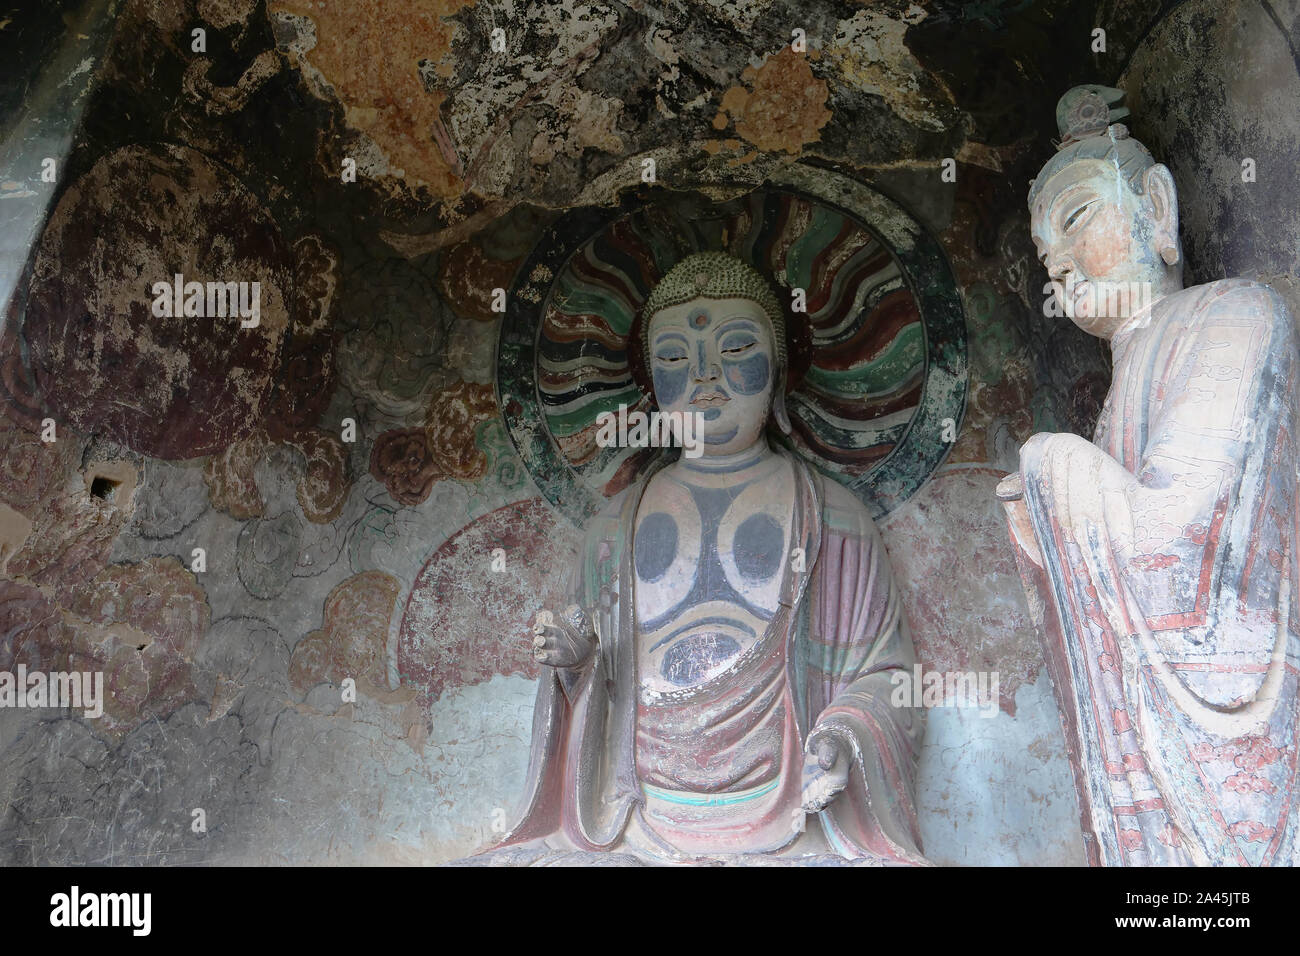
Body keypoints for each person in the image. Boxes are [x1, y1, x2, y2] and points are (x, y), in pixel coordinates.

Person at [494, 252, 926, 864]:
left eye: (736, 348)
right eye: (674, 357)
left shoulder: (834, 519)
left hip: (789, 823)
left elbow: (889, 679)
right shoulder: (609, 533)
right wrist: (579, 668)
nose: (705, 377)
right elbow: (595, 693)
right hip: (636, 824)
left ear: (778, 369)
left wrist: (841, 735)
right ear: (649, 381)